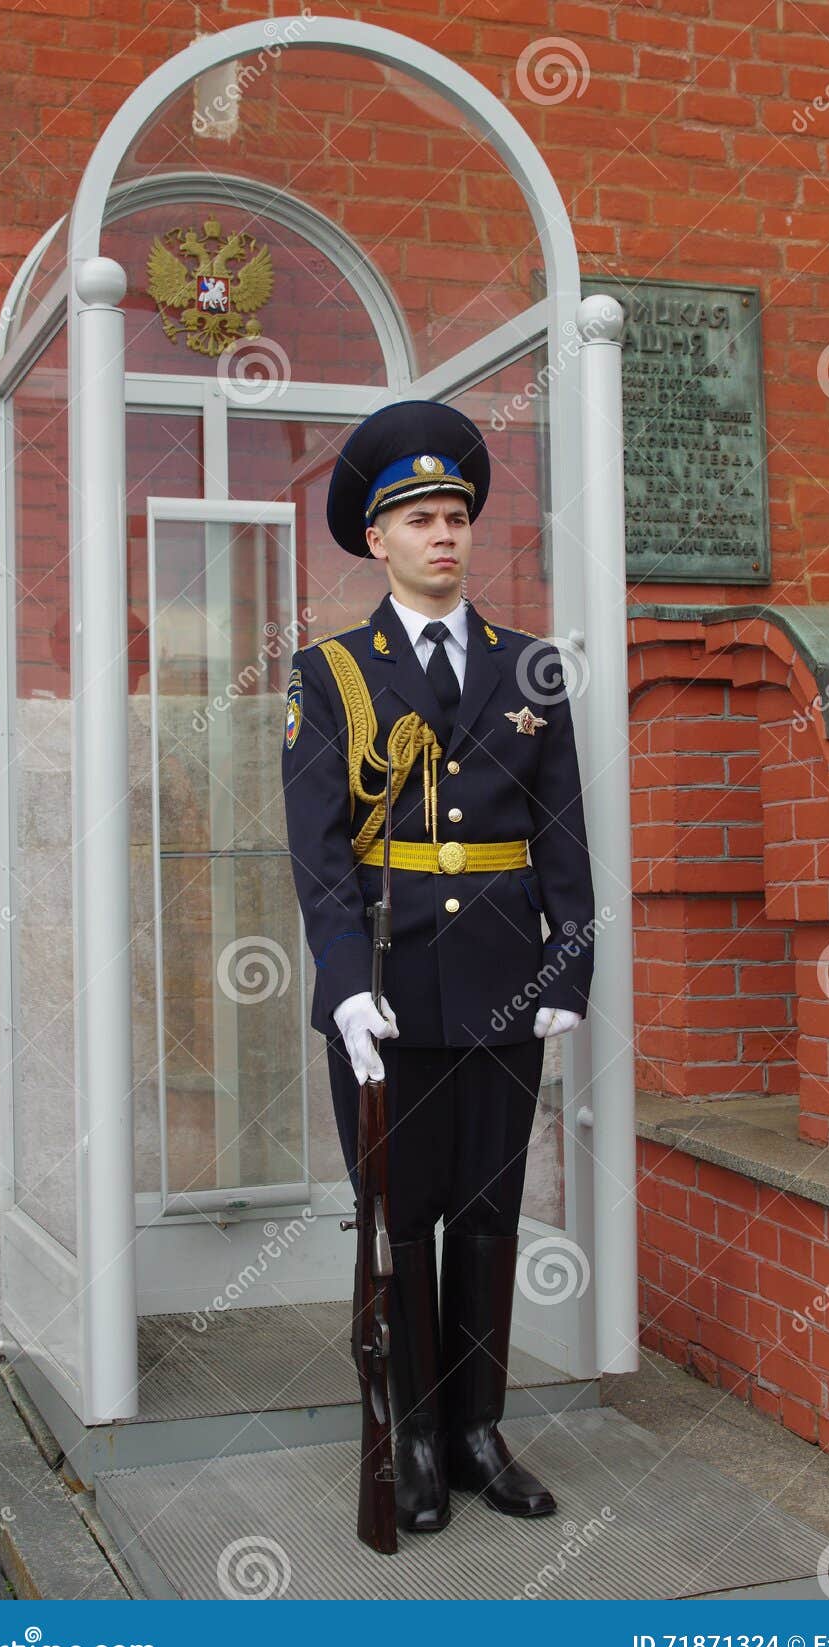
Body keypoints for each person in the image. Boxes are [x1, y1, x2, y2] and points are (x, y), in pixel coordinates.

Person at [280, 399, 596, 1534]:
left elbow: (562, 833)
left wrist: (568, 966)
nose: (443, 534)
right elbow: (318, 850)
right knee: (401, 1215)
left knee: (490, 1208)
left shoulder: (532, 668)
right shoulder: (329, 674)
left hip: (506, 983)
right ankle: (410, 1430)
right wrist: (340, 985)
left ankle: (476, 1428)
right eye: (418, 519)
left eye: (455, 515)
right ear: (377, 540)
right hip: (388, 984)